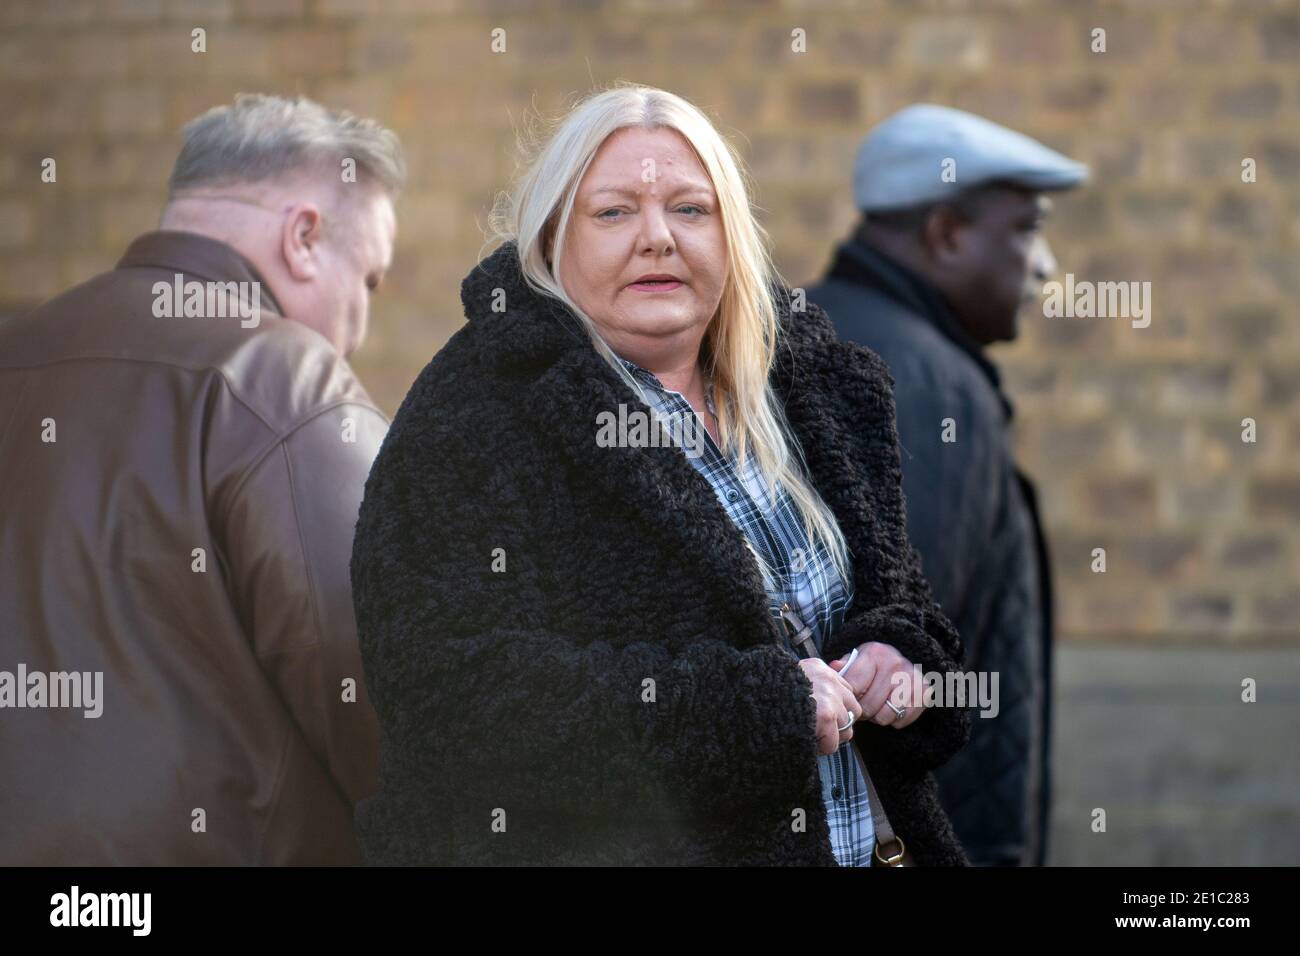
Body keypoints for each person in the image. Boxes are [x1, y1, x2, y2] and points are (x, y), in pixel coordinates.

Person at [350, 84, 971, 866]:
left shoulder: (814, 386)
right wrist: (753, 712)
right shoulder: (473, 416)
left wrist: (899, 655)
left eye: (690, 209)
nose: (656, 239)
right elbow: (450, 695)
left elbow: (905, 598)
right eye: (613, 213)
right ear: (552, 238)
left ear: (731, 233)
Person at [0, 93, 404, 864]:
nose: (360, 325)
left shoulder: (14, 352)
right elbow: (387, 687)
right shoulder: (283, 378)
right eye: (372, 281)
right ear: (305, 237)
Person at [806, 103, 1088, 866]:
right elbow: (898, 663)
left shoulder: (807, 331)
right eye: (1026, 230)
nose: (1046, 266)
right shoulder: (928, 385)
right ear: (947, 234)